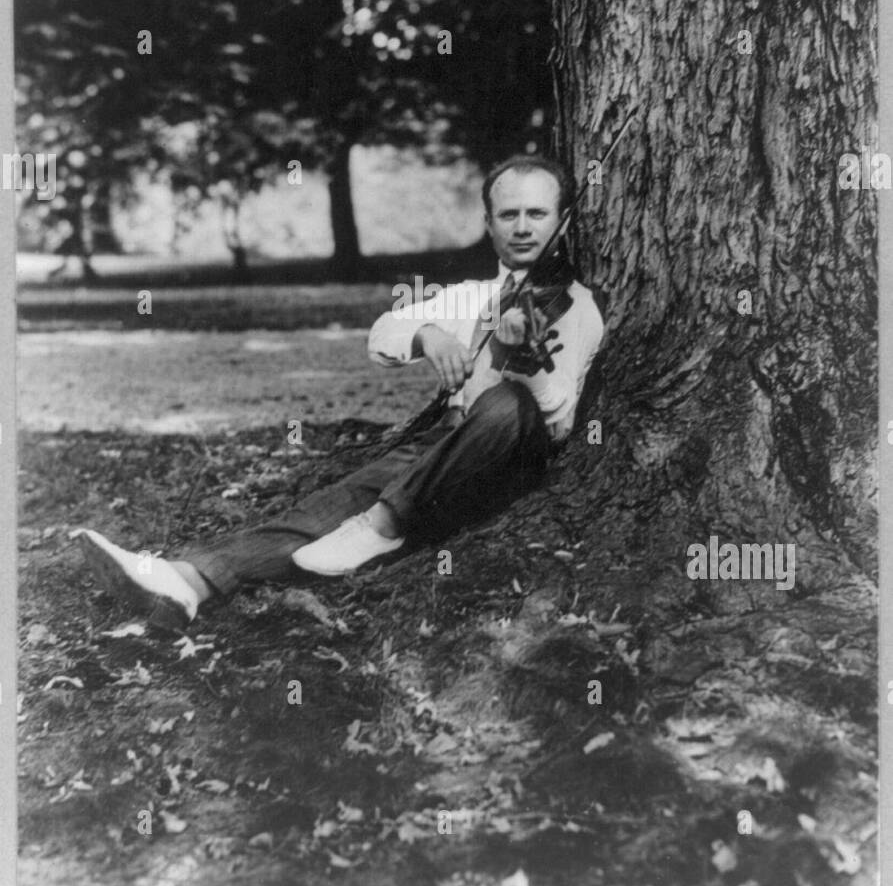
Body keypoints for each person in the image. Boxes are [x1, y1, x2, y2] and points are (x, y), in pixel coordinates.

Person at [75, 155, 604, 631]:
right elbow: (381, 336)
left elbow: (557, 422)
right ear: (488, 224)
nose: (522, 227)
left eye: (537, 214)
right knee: (323, 512)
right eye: (508, 214)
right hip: (439, 450)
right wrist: (428, 334)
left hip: (508, 461)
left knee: (506, 403)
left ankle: (387, 522)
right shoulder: (472, 297)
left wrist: (525, 364)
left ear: (562, 221)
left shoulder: (576, 307)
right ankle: (187, 581)